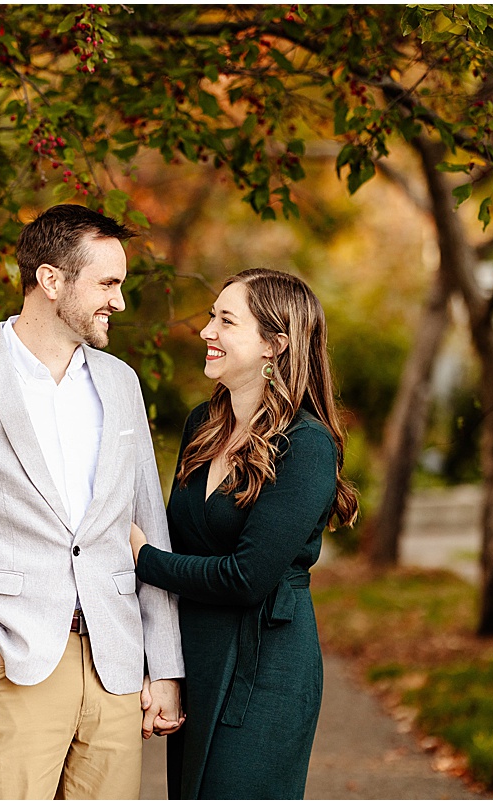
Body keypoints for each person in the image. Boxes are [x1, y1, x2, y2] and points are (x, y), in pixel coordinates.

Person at [0, 204, 185, 800]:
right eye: (107, 283)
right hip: (11, 661)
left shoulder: (121, 383)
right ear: (50, 281)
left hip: (115, 671)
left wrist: (165, 667)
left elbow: (149, 526)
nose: (118, 301)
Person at [129, 268, 359, 800]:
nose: (207, 331)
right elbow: (184, 541)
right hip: (197, 653)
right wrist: (160, 666)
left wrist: (144, 557)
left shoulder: (306, 446)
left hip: (266, 669)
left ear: (274, 345)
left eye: (225, 320)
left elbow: (246, 577)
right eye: (211, 316)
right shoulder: (201, 426)